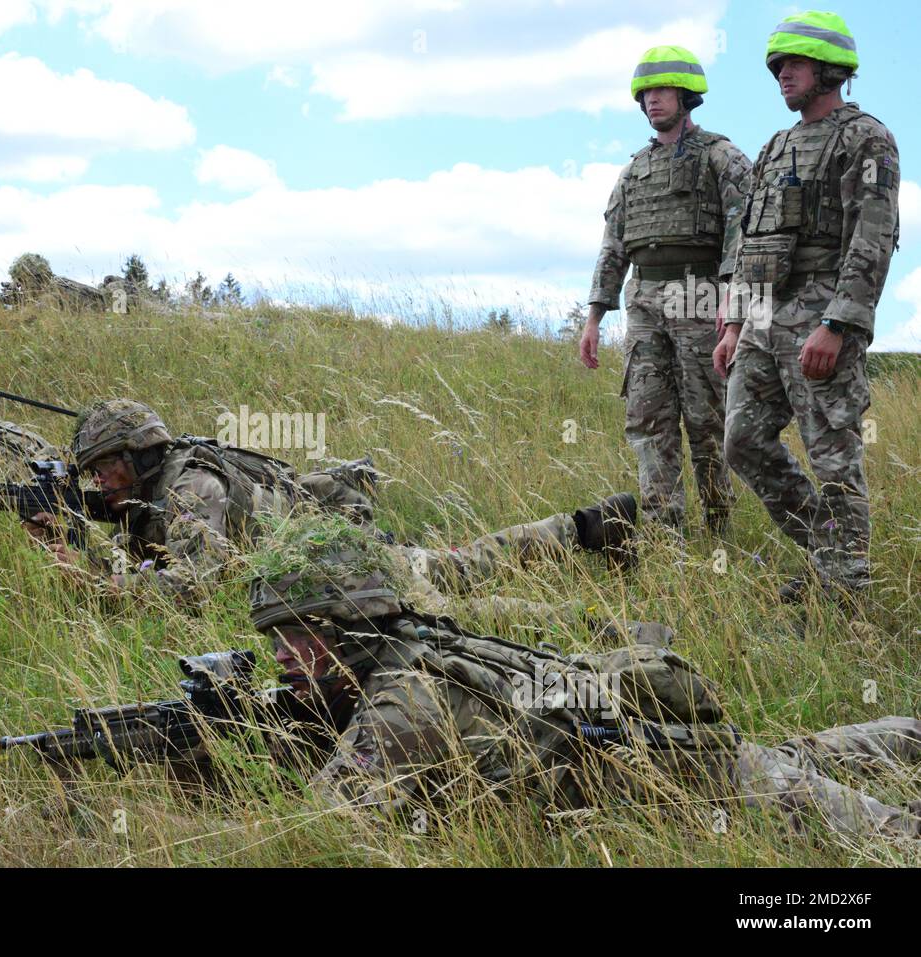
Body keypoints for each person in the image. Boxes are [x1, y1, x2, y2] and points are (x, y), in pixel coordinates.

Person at [245, 512, 921, 839]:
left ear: (348, 627)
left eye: (295, 634)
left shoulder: (402, 701)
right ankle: (906, 733)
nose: (280, 652)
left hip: (664, 774)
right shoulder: (412, 644)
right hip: (622, 745)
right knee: (789, 756)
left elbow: (322, 831)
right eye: (273, 636)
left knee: (874, 828)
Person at [22, 399, 639, 604]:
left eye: (103, 467)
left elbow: (193, 587)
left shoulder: (189, 489)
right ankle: (590, 533)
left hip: (342, 568)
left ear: (135, 457)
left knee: (455, 586)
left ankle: (590, 540)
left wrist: (98, 581)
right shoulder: (155, 493)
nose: (98, 481)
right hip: (317, 572)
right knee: (459, 573)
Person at [713, 12, 900, 605]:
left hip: (822, 316)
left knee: (834, 457)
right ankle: (829, 554)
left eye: (792, 64)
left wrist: (839, 324)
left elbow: (871, 237)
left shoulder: (865, 138)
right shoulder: (774, 147)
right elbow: (748, 241)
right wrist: (735, 323)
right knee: (741, 442)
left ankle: (847, 594)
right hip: (763, 323)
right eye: (777, 66)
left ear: (829, 70)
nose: (782, 75)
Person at [583, 46, 752, 535]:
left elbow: (746, 231)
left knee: (707, 419)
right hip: (643, 300)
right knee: (648, 418)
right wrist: (595, 316)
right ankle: (664, 534)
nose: (652, 100)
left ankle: (720, 526)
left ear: (686, 96)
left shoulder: (722, 157)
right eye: (646, 92)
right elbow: (613, 243)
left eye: (662, 90)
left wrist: (730, 299)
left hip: (700, 296)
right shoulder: (633, 171)